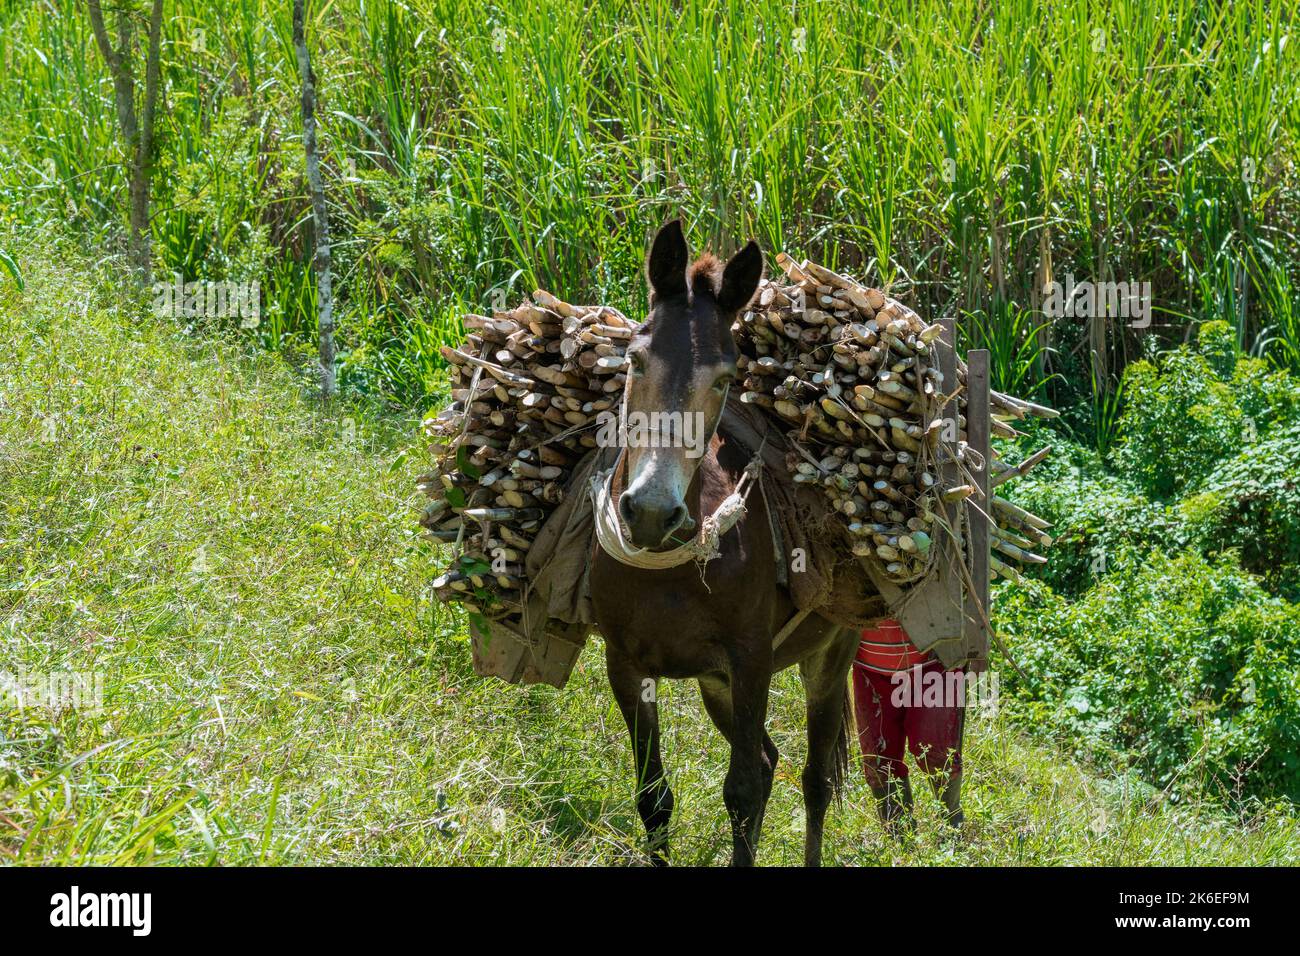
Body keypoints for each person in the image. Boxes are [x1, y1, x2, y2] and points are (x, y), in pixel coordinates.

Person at [851, 617, 965, 830]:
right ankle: (899, 837)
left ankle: (952, 829)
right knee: (878, 758)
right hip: (870, 669)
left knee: (936, 749)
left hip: (934, 665)